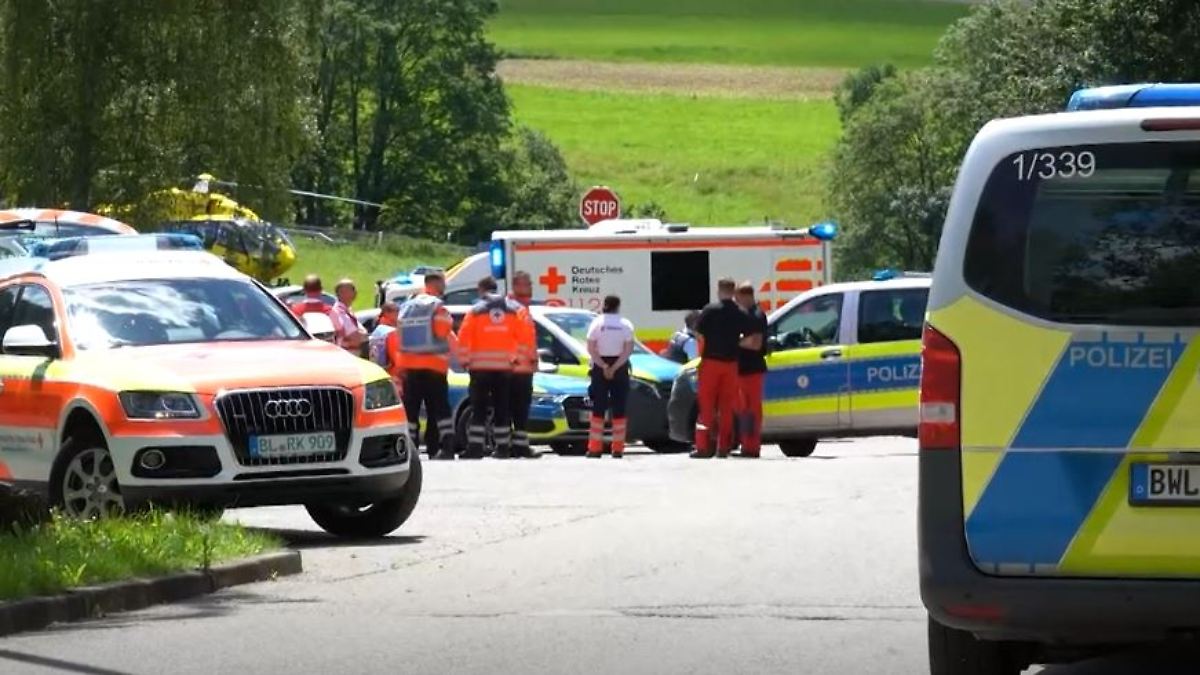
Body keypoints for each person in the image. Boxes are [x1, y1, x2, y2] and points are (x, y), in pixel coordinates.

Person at [457, 276, 523, 459]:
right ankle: (503, 448)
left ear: (481, 290)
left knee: (478, 410)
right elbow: (521, 337)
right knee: (502, 409)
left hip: (480, 368)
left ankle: (475, 448)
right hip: (504, 369)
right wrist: (515, 358)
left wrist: (464, 360)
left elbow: (463, 337)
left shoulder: (476, 311)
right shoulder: (512, 311)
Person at [397, 272, 457, 460]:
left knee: (412, 412)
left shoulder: (406, 307)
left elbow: (399, 334)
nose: (444, 287)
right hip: (434, 366)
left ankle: (410, 449)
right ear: (434, 284)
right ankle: (442, 447)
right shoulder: (437, 307)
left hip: (410, 368)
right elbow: (442, 331)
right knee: (439, 411)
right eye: (442, 283)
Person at [692, 278, 752, 459]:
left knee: (706, 406)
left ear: (719, 290)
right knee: (727, 408)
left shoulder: (709, 310)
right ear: (733, 292)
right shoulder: (740, 312)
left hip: (711, 363)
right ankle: (723, 448)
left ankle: (702, 447)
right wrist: (734, 344)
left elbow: (697, 333)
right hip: (731, 364)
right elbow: (749, 338)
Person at [585, 295, 635, 459]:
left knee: (598, 407)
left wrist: (604, 366)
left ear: (604, 305)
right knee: (619, 407)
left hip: (600, 367)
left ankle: (594, 448)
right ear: (618, 306)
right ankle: (618, 448)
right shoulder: (625, 324)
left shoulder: (597, 323)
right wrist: (614, 367)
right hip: (619, 368)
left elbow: (591, 348)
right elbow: (628, 350)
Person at [734, 282, 769, 459]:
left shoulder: (757, 315)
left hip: (752, 369)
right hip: (743, 369)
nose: (736, 301)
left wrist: (735, 342)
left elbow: (755, 343)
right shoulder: (746, 315)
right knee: (744, 409)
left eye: (737, 298)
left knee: (752, 409)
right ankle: (746, 445)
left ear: (745, 296)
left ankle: (752, 446)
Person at [507, 271, 539, 459]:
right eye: (527, 284)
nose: (531, 287)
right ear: (517, 286)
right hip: (515, 368)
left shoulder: (522, 308)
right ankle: (512, 446)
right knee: (514, 409)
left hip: (524, 368)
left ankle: (520, 446)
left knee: (520, 411)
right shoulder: (512, 308)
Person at [331, 278, 366, 353]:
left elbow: (362, 332)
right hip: (347, 354)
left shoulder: (347, 310)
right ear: (341, 293)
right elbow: (355, 337)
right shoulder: (339, 312)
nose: (356, 292)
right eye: (352, 289)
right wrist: (363, 336)